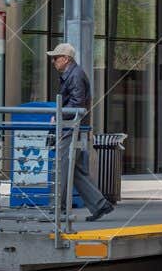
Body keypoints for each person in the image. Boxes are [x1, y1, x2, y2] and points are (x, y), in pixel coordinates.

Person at [47, 42, 114, 221]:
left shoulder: (75, 75)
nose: (53, 61)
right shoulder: (72, 74)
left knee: (62, 165)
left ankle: (56, 209)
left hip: (72, 127)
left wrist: (60, 115)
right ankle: (100, 204)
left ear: (66, 58)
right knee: (73, 169)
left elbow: (76, 103)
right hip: (73, 125)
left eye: (56, 57)